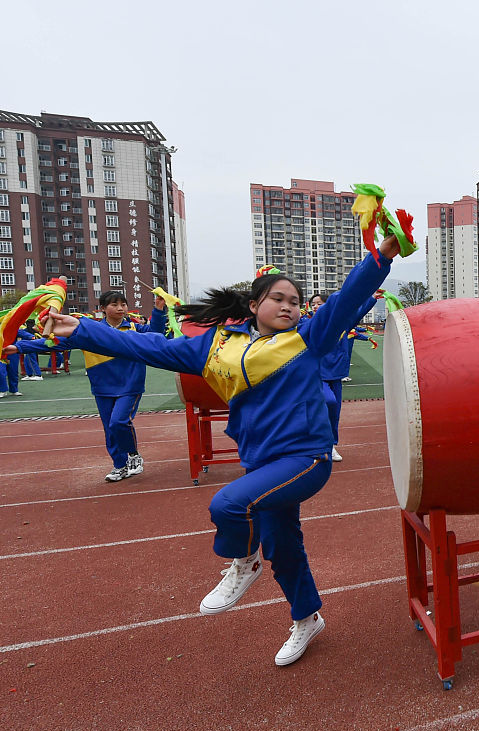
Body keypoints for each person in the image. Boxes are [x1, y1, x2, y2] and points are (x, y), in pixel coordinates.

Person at [40, 236, 401, 666]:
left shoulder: (308, 337)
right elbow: (147, 347)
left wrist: (381, 256)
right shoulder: (215, 346)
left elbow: (347, 298)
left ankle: (244, 561)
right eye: (278, 298)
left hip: (306, 457)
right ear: (253, 305)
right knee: (283, 547)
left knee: (228, 504)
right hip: (259, 460)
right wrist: (79, 329)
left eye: (295, 301)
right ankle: (307, 619)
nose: (288, 306)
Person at [9, 292, 167, 482]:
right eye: (114, 304)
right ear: (103, 308)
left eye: (123, 304)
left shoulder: (136, 328)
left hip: (130, 385)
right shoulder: (89, 332)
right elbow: (55, 343)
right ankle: (120, 465)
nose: (120, 308)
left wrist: (158, 309)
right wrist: (19, 348)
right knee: (110, 429)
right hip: (102, 387)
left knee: (118, 422)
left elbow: (156, 334)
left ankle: (133, 454)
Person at [308, 291, 377, 462]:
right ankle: (315, 444)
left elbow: (357, 312)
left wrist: (372, 297)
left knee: (334, 412)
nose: (315, 306)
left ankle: (330, 445)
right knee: (329, 402)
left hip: (336, 374)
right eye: (313, 304)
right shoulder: (309, 324)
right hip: (317, 375)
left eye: (319, 303)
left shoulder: (341, 324)